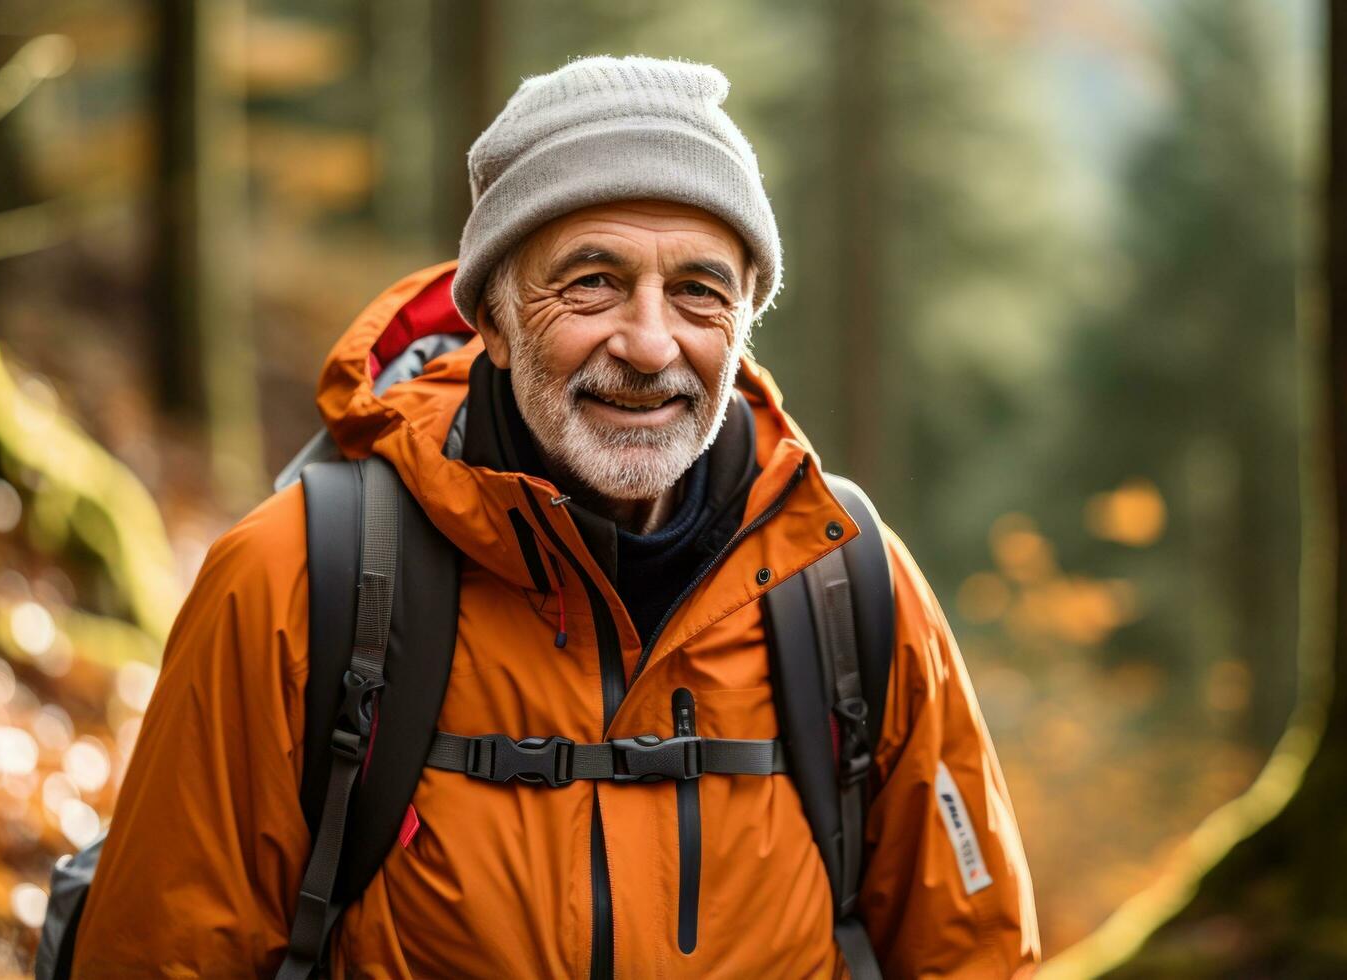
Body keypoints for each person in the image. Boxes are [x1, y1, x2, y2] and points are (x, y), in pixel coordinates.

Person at [73, 55, 1039, 977]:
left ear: (745, 320)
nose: (650, 344)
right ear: (492, 319)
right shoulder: (295, 581)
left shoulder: (844, 583)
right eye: (592, 282)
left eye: (698, 292)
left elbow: (973, 956)